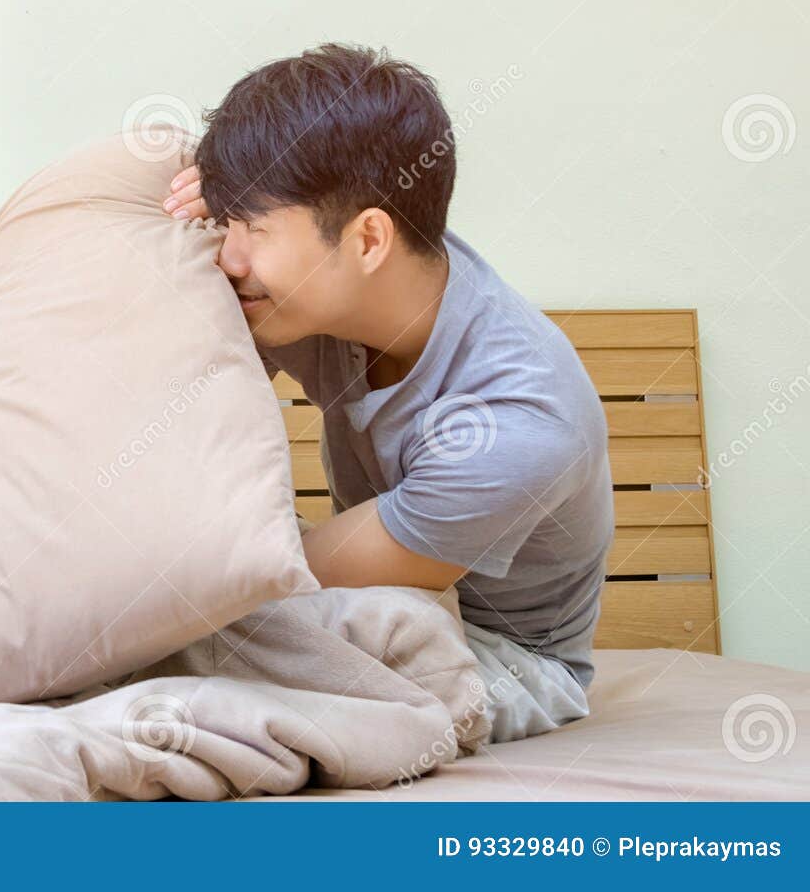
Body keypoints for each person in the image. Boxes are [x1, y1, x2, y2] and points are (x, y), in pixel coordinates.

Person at [162, 43, 613, 743]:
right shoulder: (336, 285)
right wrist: (210, 206)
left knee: (190, 629)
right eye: (230, 222)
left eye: (255, 228)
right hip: (363, 600)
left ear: (369, 238)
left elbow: (284, 581)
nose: (230, 255)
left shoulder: (519, 421)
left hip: (500, 659)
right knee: (175, 616)